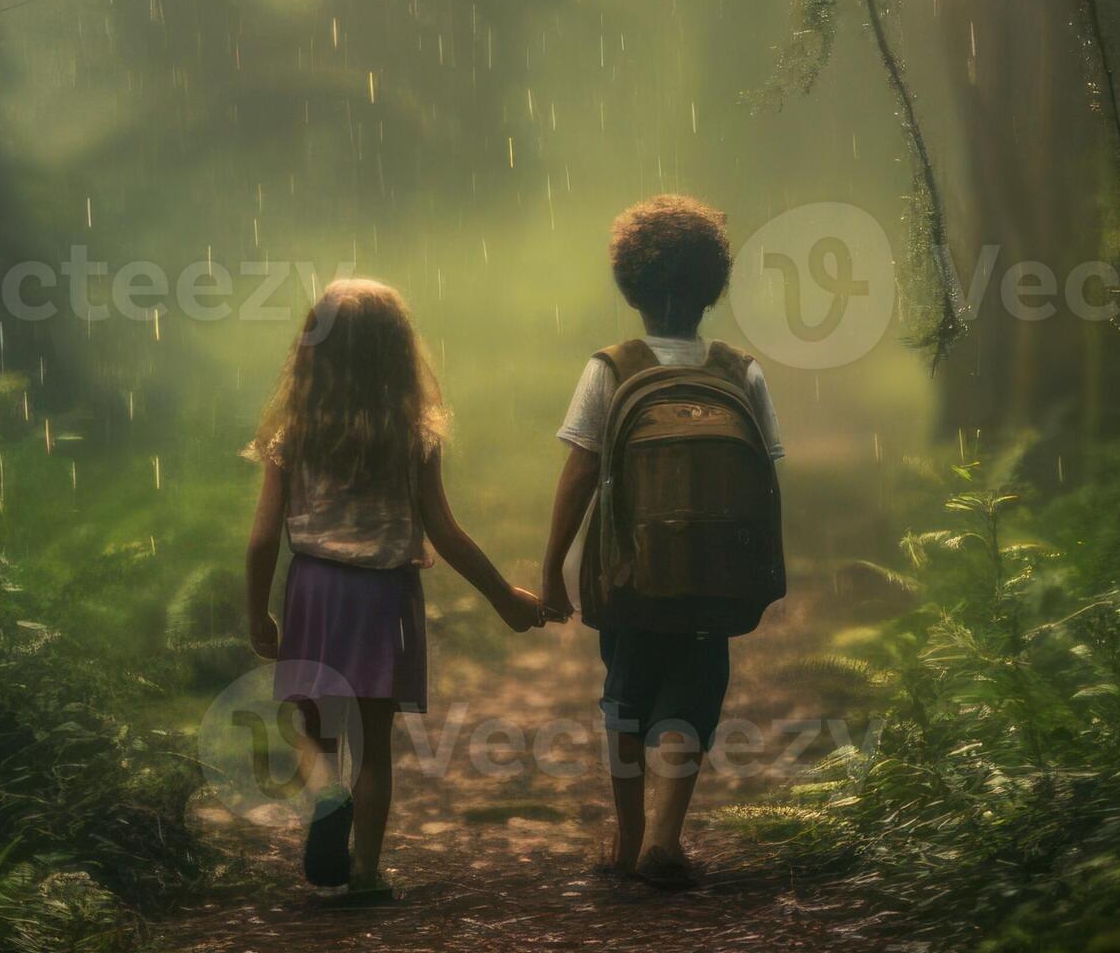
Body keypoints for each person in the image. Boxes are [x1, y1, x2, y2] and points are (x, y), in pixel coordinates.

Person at [247, 279, 546, 903]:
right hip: (384, 597)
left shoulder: (292, 434)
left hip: (315, 593)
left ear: (312, 349)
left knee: (312, 730)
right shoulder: (414, 433)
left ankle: (326, 799)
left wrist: (258, 614)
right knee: (375, 746)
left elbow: (261, 541)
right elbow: (447, 532)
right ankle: (364, 873)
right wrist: (503, 597)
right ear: (397, 352)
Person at [539, 196, 786, 889]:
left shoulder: (612, 369)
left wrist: (554, 565)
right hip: (714, 580)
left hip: (633, 577)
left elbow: (581, 471)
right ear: (715, 287)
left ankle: (628, 836)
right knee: (690, 705)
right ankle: (667, 839)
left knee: (626, 699)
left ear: (629, 286)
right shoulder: (742, 372)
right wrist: (761, 567)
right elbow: (764, 482)